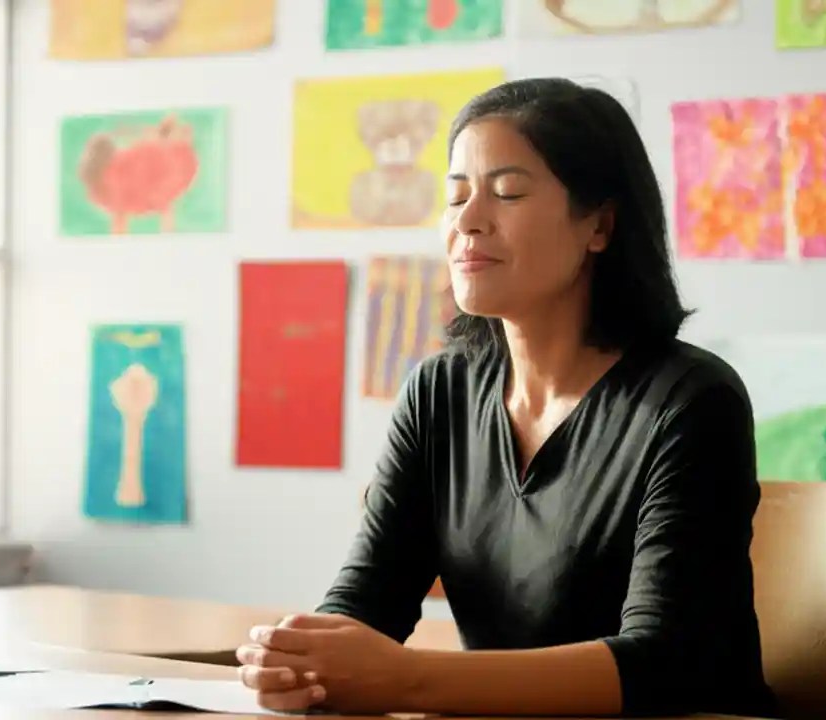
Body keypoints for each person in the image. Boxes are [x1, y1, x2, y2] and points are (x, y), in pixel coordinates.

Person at [233, 77, 779, 718]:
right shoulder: (438, 392)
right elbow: (367, 601)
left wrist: (406, 680)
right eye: (456, 195)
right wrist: (309, 665)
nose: (467, 221)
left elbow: (663, 665)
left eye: (508, 192)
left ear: (599, 223)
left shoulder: (690, 401)